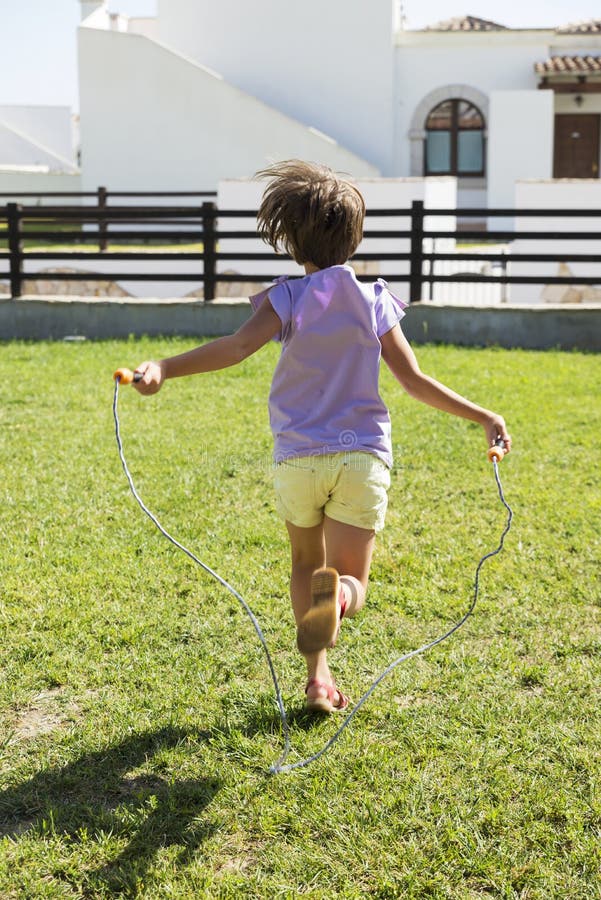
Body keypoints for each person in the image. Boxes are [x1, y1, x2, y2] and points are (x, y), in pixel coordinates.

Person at [131, 160, 511, 714]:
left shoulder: (287, 297)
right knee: (348, 579)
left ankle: (317, 678)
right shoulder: (375, 299)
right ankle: (340, 608)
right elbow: (414, 380)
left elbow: (235, 349)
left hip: (298, 459)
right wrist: (484, 416)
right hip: (362, 458)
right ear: (355, 237)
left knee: (307, 564)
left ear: (290, 239)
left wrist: (164, 367)